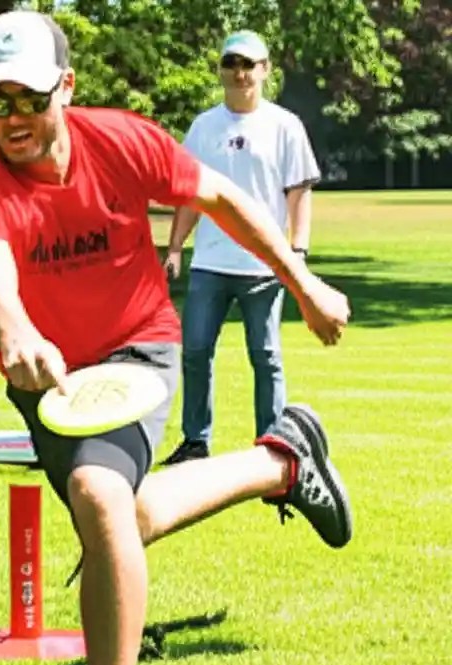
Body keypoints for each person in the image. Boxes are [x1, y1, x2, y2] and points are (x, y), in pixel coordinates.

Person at [0, 12, 352, 665]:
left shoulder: (121, 140)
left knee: (100, 502)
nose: (13, 119)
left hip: (139, 346)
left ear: (64, 87)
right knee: (119, 520)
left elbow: (221, 198)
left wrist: (302, 282)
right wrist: (15, 332)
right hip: (51, 376)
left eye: (32, 100)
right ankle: (279, 463)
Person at [161, 30, 321, 465]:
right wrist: (175, 247)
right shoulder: (203, 126)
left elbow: (299, 191)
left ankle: (271, 443)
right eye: (231, 63)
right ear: (220, 70)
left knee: (265, 356)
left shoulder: (284, 125)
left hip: (264, 267)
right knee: (194, 351)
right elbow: (190, 195)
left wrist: (297, 253)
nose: (239, 73)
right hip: (211, 263)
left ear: (266, 70)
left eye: (249, 64)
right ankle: (196, 441)